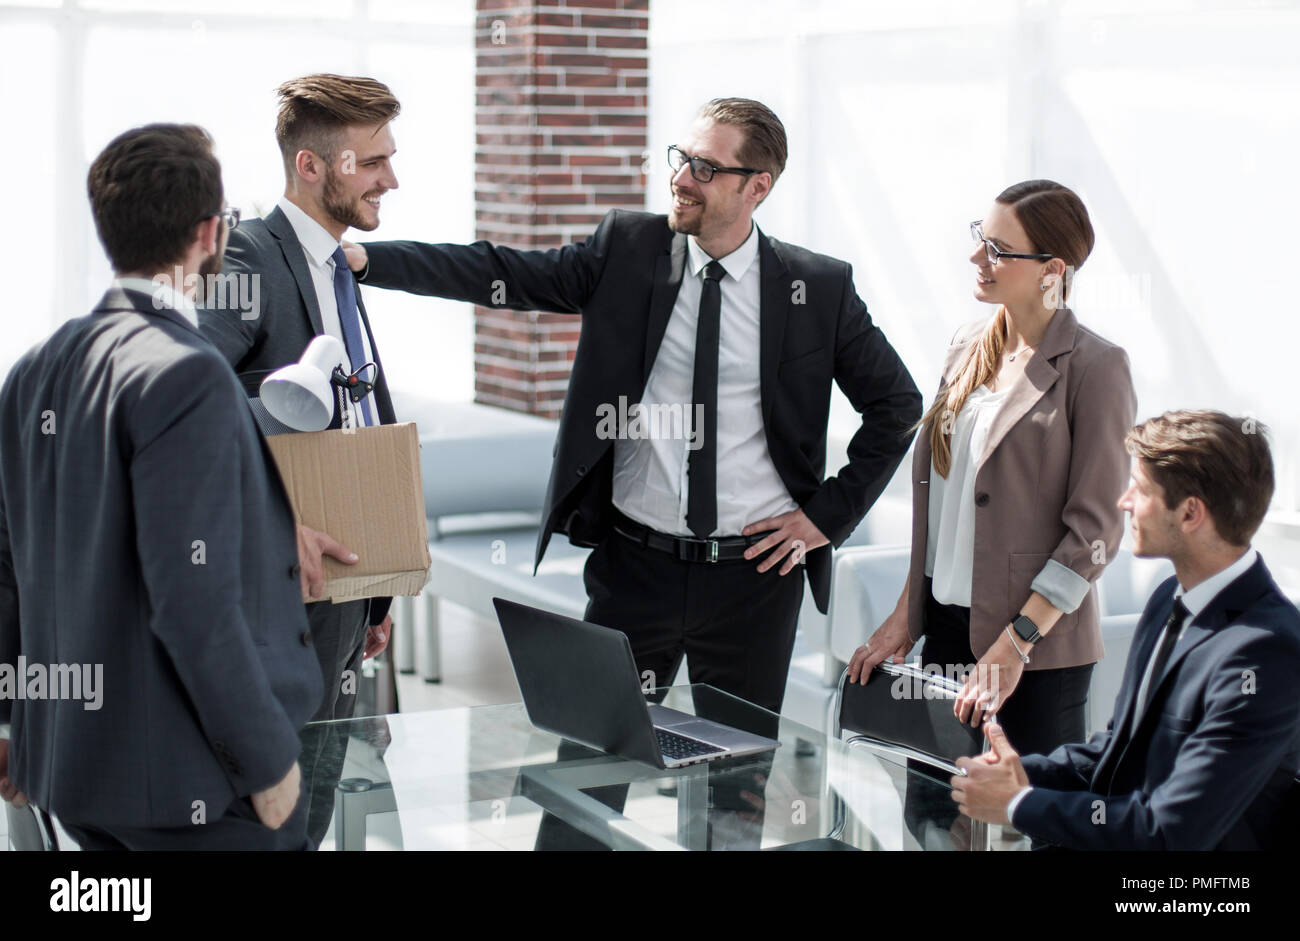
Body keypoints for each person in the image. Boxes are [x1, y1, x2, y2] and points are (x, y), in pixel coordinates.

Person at [345, 97, 922, 847]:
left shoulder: (816, 288)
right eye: (681, 158)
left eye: (706, 169)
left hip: (755, 582)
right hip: (634, 570)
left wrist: (824, 519)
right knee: (585, 772)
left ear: (759, 186)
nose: (682, 178)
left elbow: (898, 405)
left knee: (734, 795)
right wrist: (366, 261)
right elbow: (506, 273)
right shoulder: (629, 248)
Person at [0, 124, 324, 850]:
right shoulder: (187, 373)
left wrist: (17, 726)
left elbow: (10, 570)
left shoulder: (33, 369)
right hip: (194, 785)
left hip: (77, 776)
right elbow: (192, 599)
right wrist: (266, 761)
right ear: (211, 233)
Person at [196, 74, 402, 844]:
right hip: (280, 593)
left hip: (342, 593)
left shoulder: (338, 267)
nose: (391, 178)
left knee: (312, 809)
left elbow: (351, 418)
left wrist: (373, 596)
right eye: (372, 161)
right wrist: (270, 523)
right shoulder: (250, 256)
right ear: (312, 168)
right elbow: (190, 408)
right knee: (272, 819)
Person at [954, 410, 1300, 850]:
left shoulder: (1265, 652)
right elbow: (1115, 751)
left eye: (1140, 488)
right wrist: (1020, 774)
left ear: (1191, 512)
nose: (1123, 501)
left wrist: (1019, 805)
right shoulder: (1167, 599)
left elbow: (1171, 832)